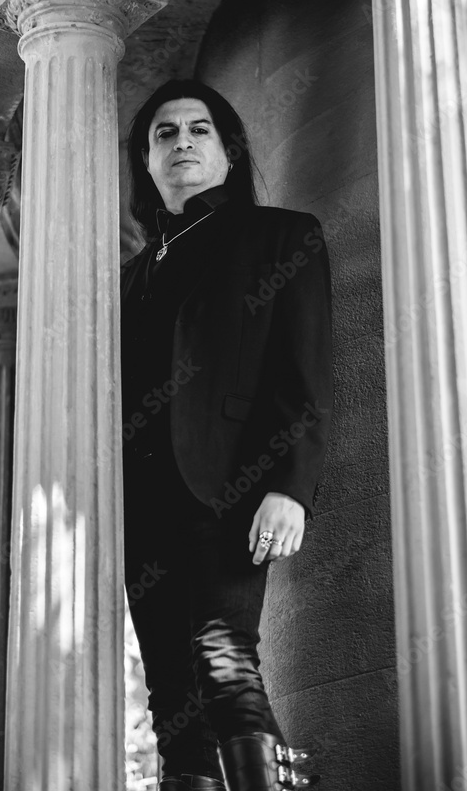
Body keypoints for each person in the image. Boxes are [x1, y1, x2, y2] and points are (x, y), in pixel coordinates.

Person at [121, 79, 333, 791]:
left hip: (229, 485)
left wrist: (289, 487)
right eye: (164, 133)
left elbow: (301, 373)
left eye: (198, 129)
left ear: (227, 151)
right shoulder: (126, 276)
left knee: (223, 661)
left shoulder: (278, 234)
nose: (181, 141)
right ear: (145, 161)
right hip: (138, 503)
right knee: (170, 700)